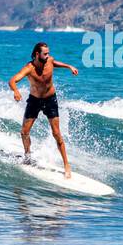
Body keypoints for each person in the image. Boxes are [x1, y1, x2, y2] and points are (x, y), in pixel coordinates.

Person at [9, 41, 79, 176]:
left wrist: (69, 66)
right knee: (24, 132)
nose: (48, 56)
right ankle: (28, 156)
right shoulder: (29, 68)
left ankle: (66, 165)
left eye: (48, 53)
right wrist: (16, 91)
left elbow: (55, 62)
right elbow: (12, 80)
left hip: (50, 100)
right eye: (45, 54)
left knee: (57, 134)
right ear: (37, 54)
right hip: (34, 101)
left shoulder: (50, 60)